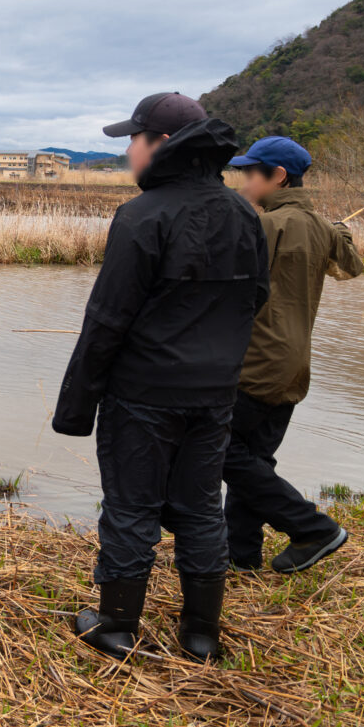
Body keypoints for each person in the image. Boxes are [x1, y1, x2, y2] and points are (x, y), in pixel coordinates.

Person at [53, 92, 269, 662]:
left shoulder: (141, 216)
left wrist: (75, 407)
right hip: (215, 393)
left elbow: (107, 320)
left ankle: (117, 626)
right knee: (201, 507)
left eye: (134, 138)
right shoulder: (243, 212)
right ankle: (201, 635)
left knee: (130, 506)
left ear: (161, 145)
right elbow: (257, 299)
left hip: (143, 394)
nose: (128, 150)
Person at [225, 136, 363, 574]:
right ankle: (241, 557)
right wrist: (337, 231)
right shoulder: (321, 227)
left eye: (251, 172)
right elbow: (351, 266)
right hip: (294, 366)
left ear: (278, 176)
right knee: (255, 460)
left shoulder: (265, 225)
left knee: (218, 450)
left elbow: (228, 291)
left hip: (255, 363)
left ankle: (313, 527)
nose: (244, 180)